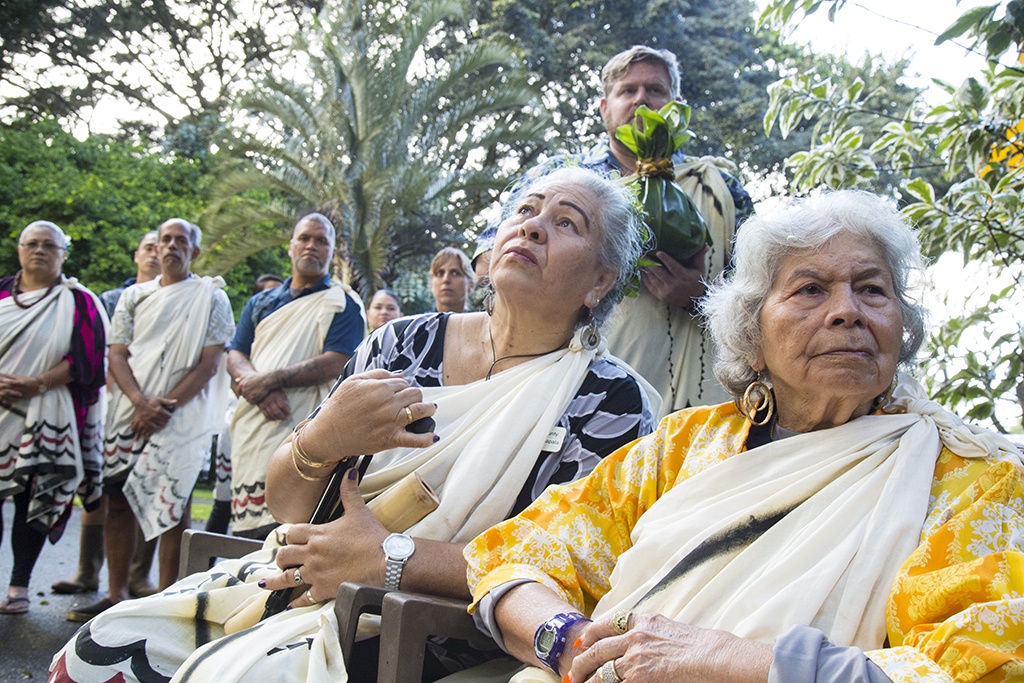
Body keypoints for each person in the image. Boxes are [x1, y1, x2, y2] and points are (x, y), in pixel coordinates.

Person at [50, 166, 660, 683]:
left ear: (601, 280)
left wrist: (393, 557)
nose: (531, 225)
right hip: (292, 584)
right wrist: (323, 439)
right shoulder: (401, 344)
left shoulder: (609, 400)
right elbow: (289, 506)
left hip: (426, 632)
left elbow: (577, 567)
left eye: (566, 222)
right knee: (96, 650)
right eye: (525, 210)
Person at [463, 190, 1024, 683]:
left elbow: (974, 665)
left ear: (901, 328)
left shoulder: (967, 481)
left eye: (872, 290)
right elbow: (517, 553)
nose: (846, 311)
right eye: (810, 290)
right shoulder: (684, 446)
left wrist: (726, 661)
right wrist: (568, 645)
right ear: (752, 335)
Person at [523, 45, 753, 418]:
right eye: (628, 91)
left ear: (676, 105)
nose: (641, 100)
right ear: (604, 107)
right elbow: (491, 264)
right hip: (574, 395)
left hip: (703, 409)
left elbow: (761, 295)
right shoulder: (559, 179)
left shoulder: (719, 188)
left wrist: (701, 296)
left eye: (655, 91)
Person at [68, 218, 234, 622]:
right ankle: (115, 594)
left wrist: (165, 407)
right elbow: (118, 353)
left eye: (182, 241)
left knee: (172, 507)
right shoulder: (133, 296)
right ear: (155, 248)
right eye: (166, 240)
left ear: (194, 252)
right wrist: (141, 402)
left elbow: (210, 363)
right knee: (119, 502)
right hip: (129, 412)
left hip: (180, 419)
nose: (172, 246)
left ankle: (164, 600)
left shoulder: (211, 297)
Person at [227, 213, 366, 539]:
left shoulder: (342, 303)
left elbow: (338, 360)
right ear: (291, 246)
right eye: (305, 238)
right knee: (246, 535)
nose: (311, 246)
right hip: (253, 425)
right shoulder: (261, 302)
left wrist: (268, 380)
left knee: (288, 532)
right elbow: (235, 352)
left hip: (304, 426)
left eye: (321, 241)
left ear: (332, 253)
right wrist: (257, 385)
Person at [0, 221, 107, 614]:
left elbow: (90, 361)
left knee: (34, 494)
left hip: (48, 412)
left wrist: (36, 383)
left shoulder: (78, 302)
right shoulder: (0, 294)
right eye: (32, 243)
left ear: (64, 253)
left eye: (50, 245)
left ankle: (18, 586)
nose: (40, 251)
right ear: (20, 249)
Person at [55, 231, 161, 607]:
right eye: (148, 248)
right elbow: (105, 352)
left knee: (151, 495)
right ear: (136, 255)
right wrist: (128, 399)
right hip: (113, 406)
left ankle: (137, 578)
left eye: (159, 248)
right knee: (104, 491)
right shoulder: (115, 300)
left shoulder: (188, 299)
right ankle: (87, 572)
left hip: (158, 410)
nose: (155, 254)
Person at [98, 231, 161, 319]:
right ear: (136, 256)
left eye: (159, 251)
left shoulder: (174, 301)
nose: (153, 255)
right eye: (149, 249)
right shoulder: (109, 300)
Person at [430, 246, 474, 313]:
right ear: (431, 284)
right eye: (440, 274)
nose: (446, 279)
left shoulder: (482, 323)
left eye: (455, 273)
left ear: (471, 285)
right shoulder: (419, 323)